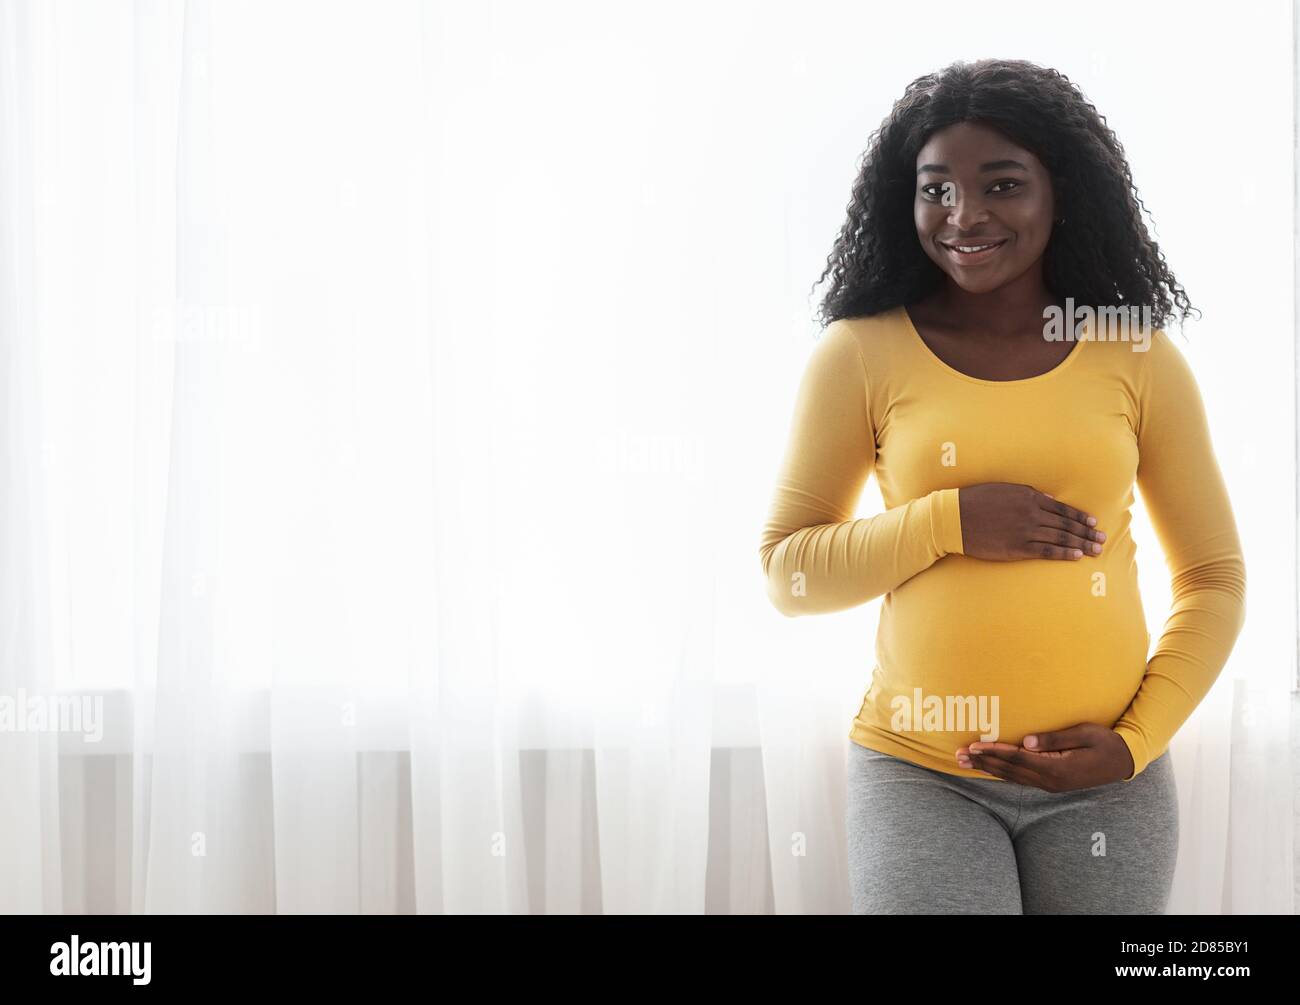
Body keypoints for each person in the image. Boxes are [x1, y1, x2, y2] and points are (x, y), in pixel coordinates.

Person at [758, 58, 1246, 914]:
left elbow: (1214, 578)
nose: (964, 216)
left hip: (1105, 782)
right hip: (922, 772)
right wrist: (947, 520)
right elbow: (789, 574)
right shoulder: (859, 353)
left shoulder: (1135, 354)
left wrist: (1133, 744)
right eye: (935, 188)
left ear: (1065, 193)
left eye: (1003, 184)